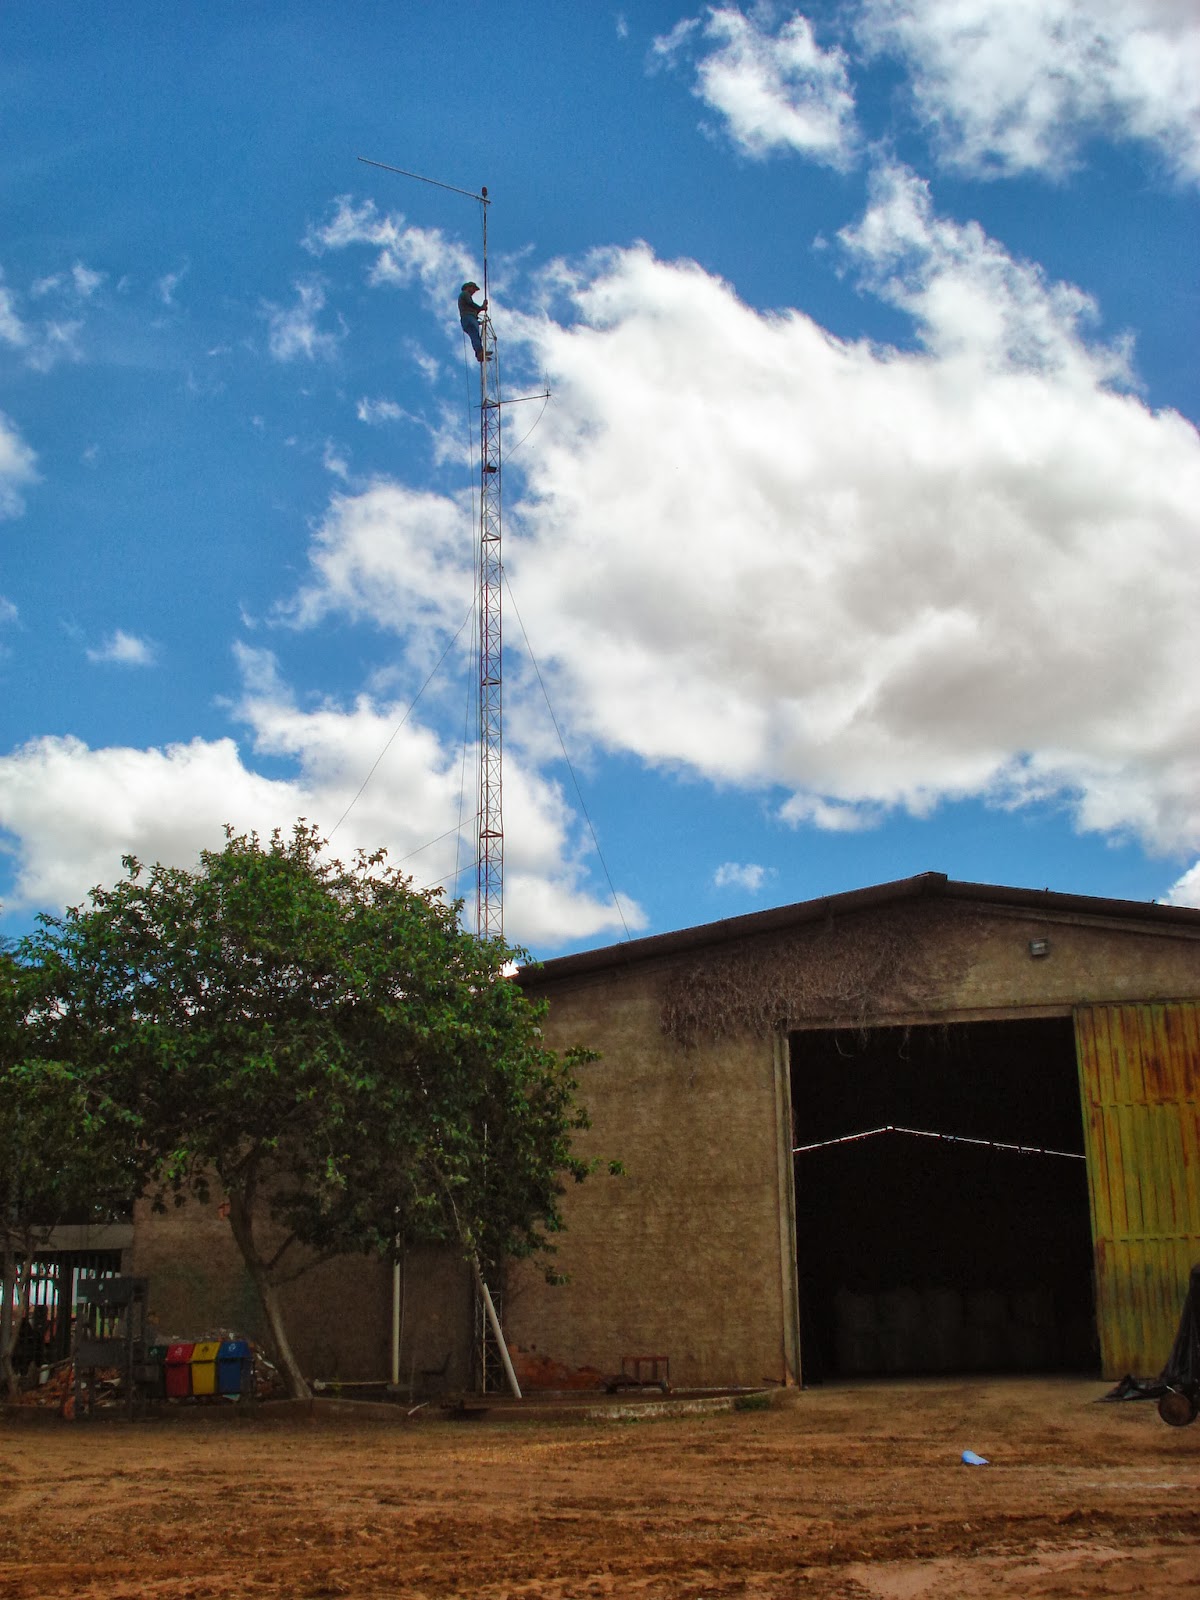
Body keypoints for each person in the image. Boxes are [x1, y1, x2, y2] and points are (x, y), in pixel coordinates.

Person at [458, 281, 487, 362]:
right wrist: (482, 307)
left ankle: (479, 352)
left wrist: (481, 308)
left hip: (468, 319)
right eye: (473, 289)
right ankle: (479, 352)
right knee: (475, 335)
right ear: (469, 287)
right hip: (468, 318)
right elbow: (471, 304)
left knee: (475, 336)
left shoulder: (464, 297)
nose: (474, 291)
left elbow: (473, 311)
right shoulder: (465, 294)